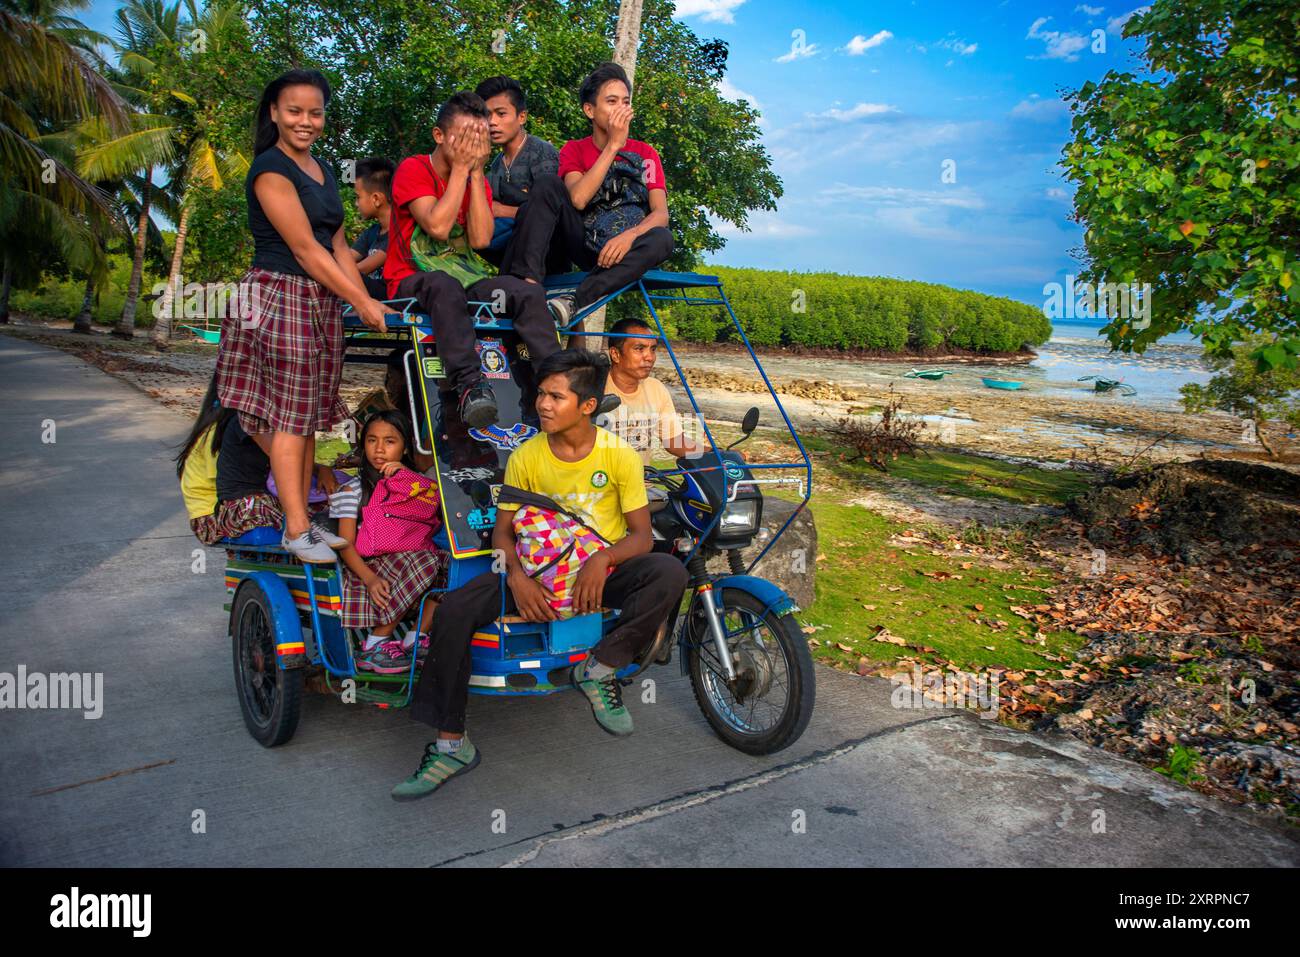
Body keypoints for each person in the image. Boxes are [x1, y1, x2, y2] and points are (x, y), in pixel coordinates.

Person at [392, 350, 689, 801]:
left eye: (555, 397)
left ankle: (601, 668)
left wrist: (601, 561)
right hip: (534, 570)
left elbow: (642, 536)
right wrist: (516, 578)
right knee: (454, 610)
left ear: (587, 406)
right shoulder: (527, 457)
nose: (542, 406)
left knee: (668, 571)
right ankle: (451, 742)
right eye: (540, 395)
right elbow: (503, 532)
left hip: (596, 572)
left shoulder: (619, 457)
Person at [216, 69, 388, 565]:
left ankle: (302, 521)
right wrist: (358, 301)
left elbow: (336, 245)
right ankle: (296, 527)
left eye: (315, 112)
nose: (305, 121)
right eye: (294, 111)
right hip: (278, 295)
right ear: (274, 112)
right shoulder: (270, 169)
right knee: (289, 417)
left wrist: (365, 296)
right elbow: (305, 249)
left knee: (308, 416)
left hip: (317, 300)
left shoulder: (323, 169)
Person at [384, 91, 562, 431]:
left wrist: (476, 175)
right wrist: (461, 170)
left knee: (525, 291)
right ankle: (470, 385)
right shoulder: (413, 168)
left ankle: (559, 382)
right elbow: (437, 226)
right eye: (462, 137)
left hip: (465, 275)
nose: (470, 146)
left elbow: (480, 239)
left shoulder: (473, 176)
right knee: (444, 285)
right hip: (412, 277)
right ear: (439, 135)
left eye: (477, 138)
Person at [498, 62, 673, 330]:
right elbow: (578, 199)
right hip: (587, 241)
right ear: (590, 110)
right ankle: (528, 284)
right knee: (547, 185)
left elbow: (660, 212)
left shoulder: (646, 153)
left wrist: (630, 236)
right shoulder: (575, 150)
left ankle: (574, 302)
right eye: (612, 101)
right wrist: (614, 146)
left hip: (627, 248)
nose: (621, 109)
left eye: (625, 102)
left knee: (663, 237)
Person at [329, 411, 448, 674]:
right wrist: (370, 579)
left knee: (451, 562)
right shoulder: (352, 491)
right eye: (372, 440)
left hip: (412, 563)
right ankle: (375, 643)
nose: (379, 449)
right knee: (426, 560)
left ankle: (415, 637)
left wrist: (407, 478)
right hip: (367, 570)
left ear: (405, 447)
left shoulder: (417, 485)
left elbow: (436, 507)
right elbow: (345, 544)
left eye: (390, 441)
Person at [473, 76, 561, 269]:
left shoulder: (542, 153)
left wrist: (501, 210)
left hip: (546, 256)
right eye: (487, 115)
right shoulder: (496, 163)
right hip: (511, 254)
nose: (492, 122)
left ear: (522, 117)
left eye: (501, 114)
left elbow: (555, 215)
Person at [602, 317, 700, 464]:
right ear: (615, 354)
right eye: (639, 349)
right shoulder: (595, 387)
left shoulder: (656, 388)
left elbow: (674, 442)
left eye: (652, 349)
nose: (650, 357)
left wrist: (720, 454)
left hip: (642, 483)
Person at [349, 157, 395, 300]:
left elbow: (361, 268)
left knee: (346, 279)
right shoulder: (372, 232)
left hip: (390, 296)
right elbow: (347, 258)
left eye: (358, 197)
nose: (356, 204)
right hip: (373, 294)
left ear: (376, 199)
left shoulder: (400, 233)